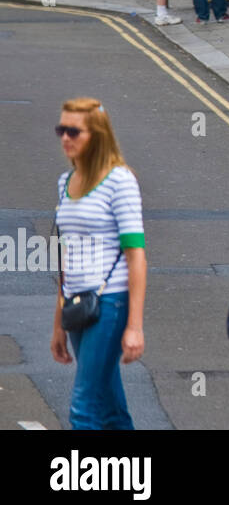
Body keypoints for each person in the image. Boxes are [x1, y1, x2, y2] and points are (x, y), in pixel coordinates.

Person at [50, 97, 147, 429]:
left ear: (98, 135)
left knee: (84, 407)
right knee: (108, 403)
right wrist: (58, 323)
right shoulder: (66, 183)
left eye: (74, 131)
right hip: (77, 304)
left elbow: (136, 256)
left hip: (109, 303)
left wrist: (134, 327)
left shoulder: (119, 181)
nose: (65, 137)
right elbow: (67, 257)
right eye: (62, 130)